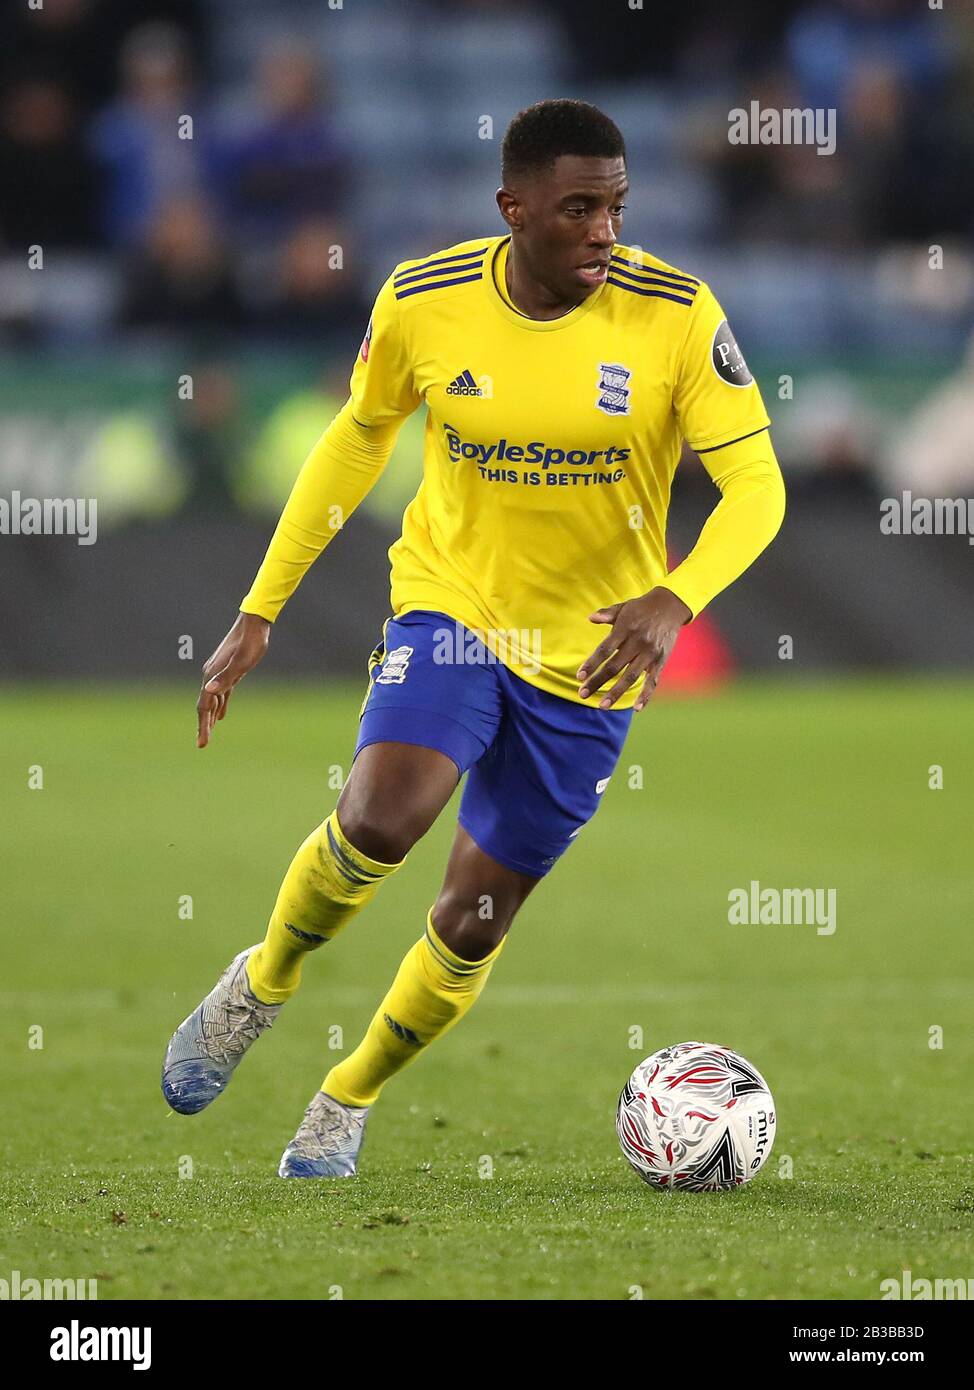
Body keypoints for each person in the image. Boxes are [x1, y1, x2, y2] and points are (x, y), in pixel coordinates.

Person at [162, 99, 786, 1178]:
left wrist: (674, 599)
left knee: (471, 919)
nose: (604, 230)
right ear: (513, 209)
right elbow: (354, 441)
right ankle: (260, 981)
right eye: (578, 208)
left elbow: (755, 490)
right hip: (453, 607)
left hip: (591, 657)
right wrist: (259, 609)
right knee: (381, 816)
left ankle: (345, 1095)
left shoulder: (676, 316)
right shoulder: (423, 300)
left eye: (616, 208)